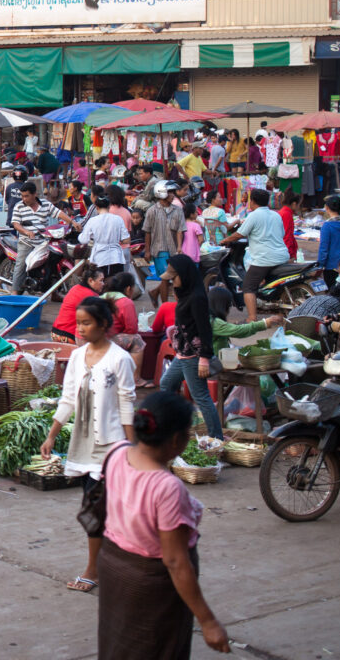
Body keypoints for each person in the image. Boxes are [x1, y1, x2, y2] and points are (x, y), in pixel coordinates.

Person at [95, 391, 231, 657]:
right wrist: (208, 620)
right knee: (157, 647)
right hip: (150, 583)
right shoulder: (166, 488)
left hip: (113, 568)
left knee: (119, 646)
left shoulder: (117, 452)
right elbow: (175, 561)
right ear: (177, 440)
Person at [41, 296, 136, 595]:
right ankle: (108, 565)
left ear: (104, 324)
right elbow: (68, 398)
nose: (80, 329)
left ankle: (95, 569)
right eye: (78, 323)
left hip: (112, 446)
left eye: (86, 323)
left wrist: (132, 448)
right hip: (83, 444)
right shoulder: (78, 356)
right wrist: (52, 435)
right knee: (97, 508)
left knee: (98, 509)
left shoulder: (120, 359)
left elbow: (126, 404)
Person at [157, 257, 222, 439]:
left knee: (201, 397)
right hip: (183, 354)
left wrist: (204, 358)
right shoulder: (186, 294)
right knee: (166, 383)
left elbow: (204, 329)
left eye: (174, 277)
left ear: (184, 275)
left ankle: (216, 439)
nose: (172, 281)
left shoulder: (197, 298)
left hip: (194, 356)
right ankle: (173, 428)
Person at [219, 187, 288, 327]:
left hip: (265, 258)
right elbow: (281, 234)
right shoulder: (276, 215)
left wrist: (226, 240)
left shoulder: (254, 215)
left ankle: (251, 318)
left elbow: (240, 233)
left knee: (248, 286)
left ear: (253, 201)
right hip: (282, 255)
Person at [10, 181, 65, 295]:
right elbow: (16, 224)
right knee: (20, 266)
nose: (24, 199)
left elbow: (58, 213)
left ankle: (54, 293)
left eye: (26, 196)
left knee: (53, 262)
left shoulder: (45, 204)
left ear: (34, 194)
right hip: (26, 242)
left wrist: (72, 222)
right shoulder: (19, 206)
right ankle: (14, 293)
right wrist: (26, 231)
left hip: (43, 242)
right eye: (22, 196)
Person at [53, 263, 106, 344]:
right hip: (68, 336)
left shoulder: (75, 288)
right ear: (91, 281)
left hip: (55, 333)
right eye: (101, 280)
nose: (103, 284)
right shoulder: (91, 296)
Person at [79, 203, 129, 277]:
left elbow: (83, 240)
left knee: (100, 282)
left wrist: (81, 235)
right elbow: (126, 239)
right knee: (117, 281)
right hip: (116, 257)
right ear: (109, 206)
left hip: (99, 258)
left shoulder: (92, 221)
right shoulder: (118, 219)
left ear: (97, 207)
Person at [316, 195, 340, 285]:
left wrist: (320, 265)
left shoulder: (327, 225)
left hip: (331, 265)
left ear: (327, 208)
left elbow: (324, 248)